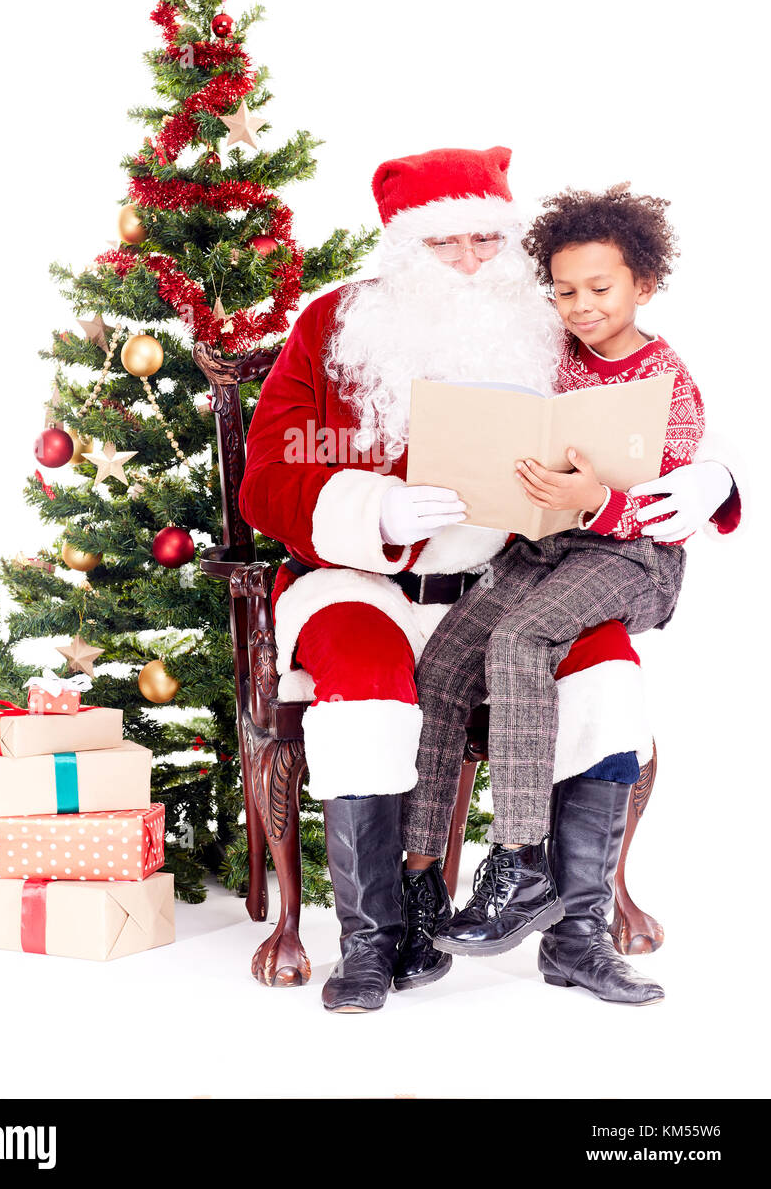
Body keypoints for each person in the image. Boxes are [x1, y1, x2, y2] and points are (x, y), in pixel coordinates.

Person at [238, 148, 740, 1013]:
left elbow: (651, 414)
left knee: (607, 672)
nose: (472, 262)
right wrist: (377, 511)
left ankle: (574, 935)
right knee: (365, 689)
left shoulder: (553, 324)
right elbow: (266, 477)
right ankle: (377, 939)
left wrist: (714, 481)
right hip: (363, 583)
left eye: (486, 239)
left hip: (514, 575)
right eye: (445, 244)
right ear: (402, 249)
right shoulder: (335, 328)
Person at [403, 185, 717, 1004]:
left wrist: (591, 499)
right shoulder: (546, 351)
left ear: (644, 283)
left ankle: (520, 863)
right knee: (441, 666)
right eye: (566, 289)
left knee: (520, 641)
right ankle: (421, 875)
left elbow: (670, 513)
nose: (581, 306)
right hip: (544, 546)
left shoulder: (666, 379)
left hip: (636, 558)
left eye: (601, 289)